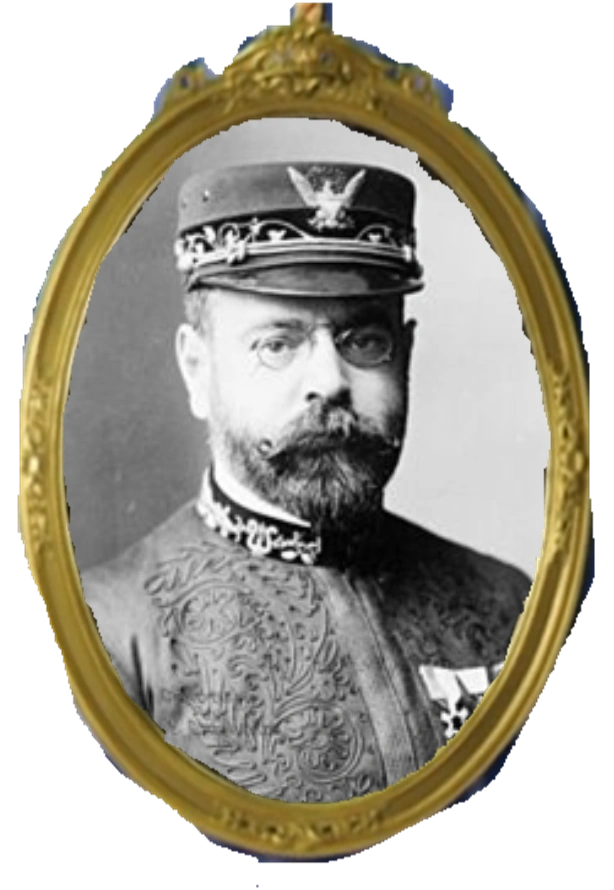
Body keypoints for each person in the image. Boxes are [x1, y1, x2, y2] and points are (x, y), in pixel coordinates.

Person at [82, 161, 530, 804]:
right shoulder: (102, 634)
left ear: (404, 355)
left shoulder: (509, 604)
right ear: (197, 369)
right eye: (277, 344)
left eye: (364, 341)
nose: (330, 380)